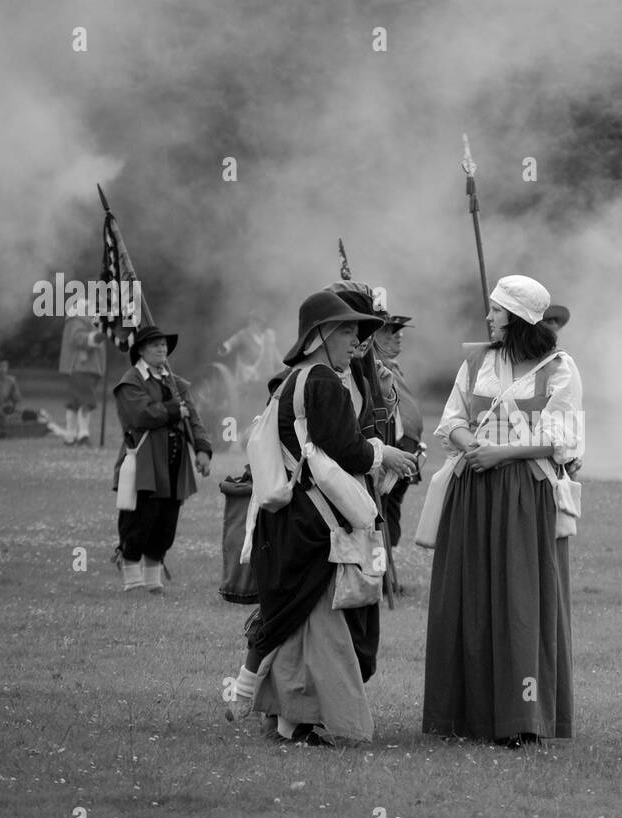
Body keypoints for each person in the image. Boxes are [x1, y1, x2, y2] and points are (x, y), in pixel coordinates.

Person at [222, 292, 416, 743]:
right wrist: (384, 452)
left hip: (296, 516)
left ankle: (281, 716)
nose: (357, 339)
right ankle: (297, 720)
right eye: (348, 330)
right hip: (313, 520)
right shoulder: (323, 380)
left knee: (297, 621)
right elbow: (345, 450)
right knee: (311, 625)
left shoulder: (296, 378)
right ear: (322, 334)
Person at [423, 275, 582, 745]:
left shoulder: (559, 367)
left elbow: (561, 438)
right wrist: (472, 445)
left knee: (520, 602)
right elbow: (450, 419)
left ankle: (520, 720)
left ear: (515, 318)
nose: (488, 317)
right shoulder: (476, 361)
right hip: (472, 489)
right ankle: (464, 716)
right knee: (469, 598)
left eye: (496, 310)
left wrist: (500, 454)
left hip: (524, 494)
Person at [111, 325, 212, 593]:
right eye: (154, 345)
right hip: (144, 460)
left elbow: (193, 419)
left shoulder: (176, 384)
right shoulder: (131, 381)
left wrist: (202, 449)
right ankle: (133, 581)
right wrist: (171, 410)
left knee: (165, 523)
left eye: (163, 345)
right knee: (139, 519)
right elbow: (140, 415)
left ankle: (153, 580)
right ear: (141, 351)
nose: (161, 348)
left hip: (175, 462)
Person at [372, 313, 426, 550]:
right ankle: (381, 580)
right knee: (380, 517)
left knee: (391, 514)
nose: (399, 336)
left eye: (399, 331)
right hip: (387, 453)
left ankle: (387, 580)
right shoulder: (373, 367)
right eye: (391, 331)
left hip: (404, 450)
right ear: (373, 336)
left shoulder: (392, 367)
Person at [58, 298, 107, 446]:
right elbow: (78, 338)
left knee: (74, 402)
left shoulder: (87, 318)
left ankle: (70, 435)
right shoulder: (77, 319)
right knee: (85, 401)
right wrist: (96, 337)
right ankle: (82, 435)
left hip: (85, 367)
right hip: (81, 367)